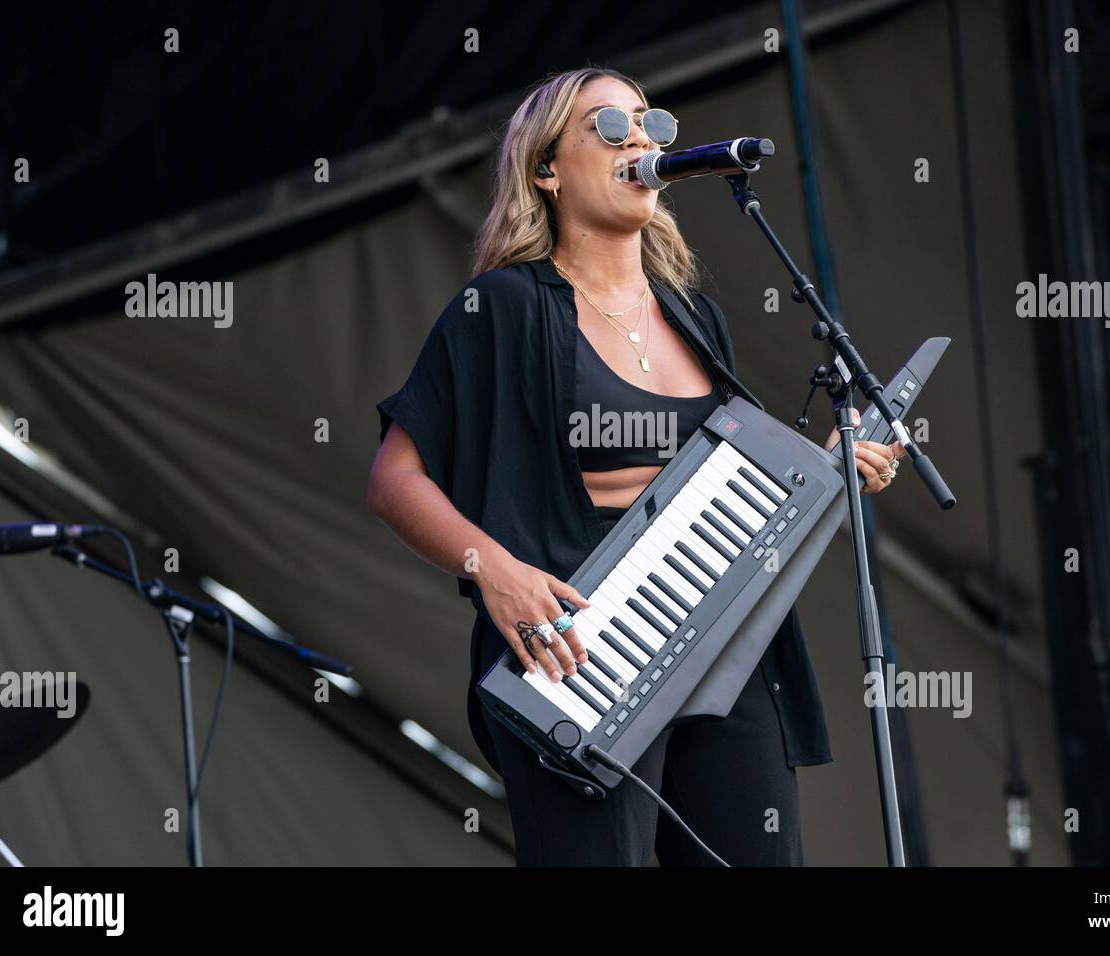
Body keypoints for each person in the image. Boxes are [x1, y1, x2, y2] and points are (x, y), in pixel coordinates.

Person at [367, 67, 904, 866]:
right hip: (579, 650)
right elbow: (394, 479)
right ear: (546, 170)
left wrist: (821, 472)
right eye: (609, 128)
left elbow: (715, 484)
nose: (641, 141)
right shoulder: (504, 308)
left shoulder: (695, 317)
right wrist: (496, 570)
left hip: (718, 633)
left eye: (650, 125)